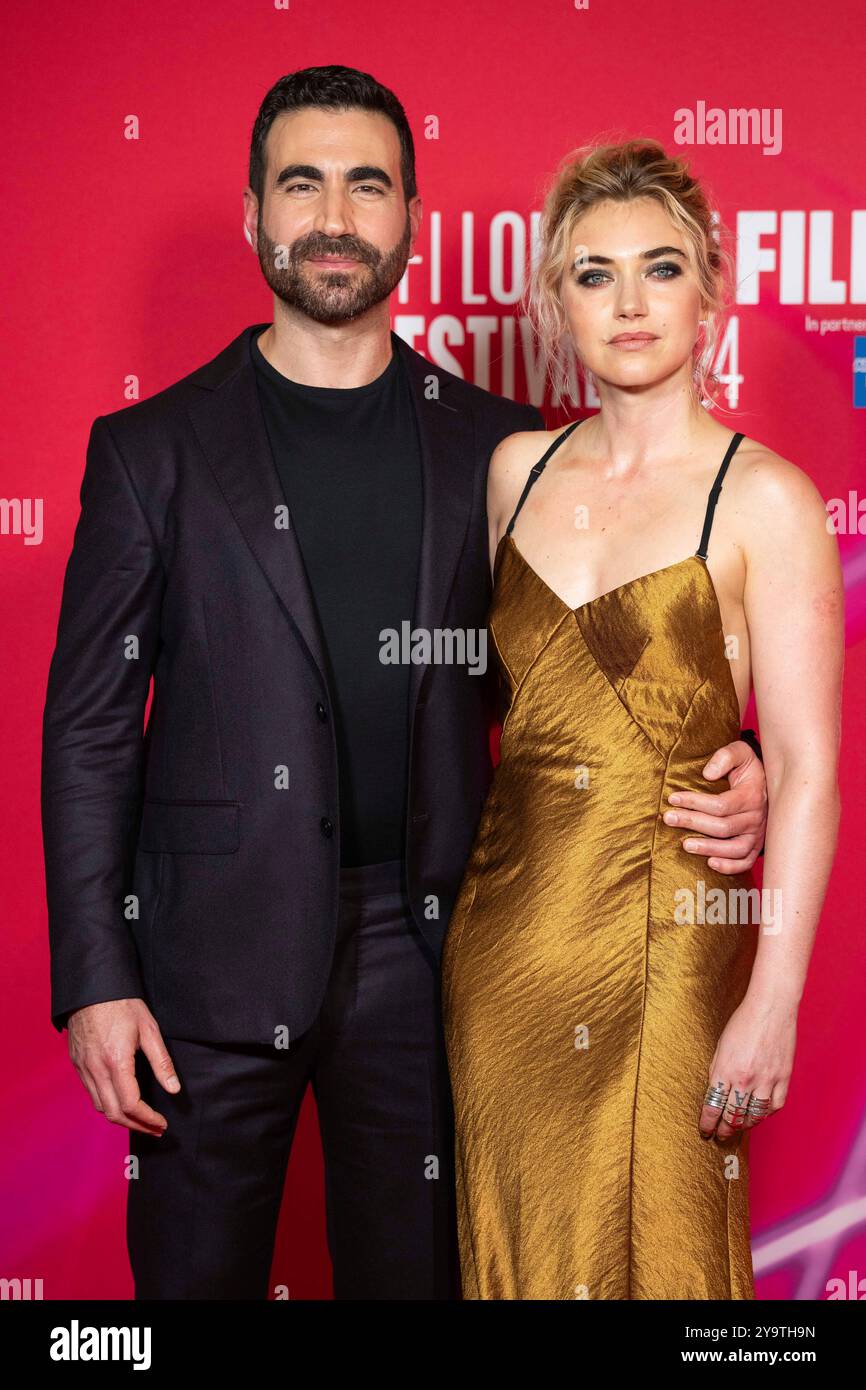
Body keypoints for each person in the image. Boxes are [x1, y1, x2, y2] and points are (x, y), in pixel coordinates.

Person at [41, 71, 769, 1301]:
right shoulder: (149, 451)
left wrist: (733, 746)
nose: (334, 216)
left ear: (410, 220)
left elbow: (573, 665)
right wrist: (96, 979)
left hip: (433, 952)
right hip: (205, 959)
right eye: (302, 183)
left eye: (366, 185)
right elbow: (89, 732)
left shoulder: (497, 447)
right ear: (253, 214)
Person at [441, 139, 843, 1300]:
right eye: (593, 273)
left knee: (662, 1252)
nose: (627, 303)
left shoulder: (763, 496)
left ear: (707, 291)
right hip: (506, 942)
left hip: (670, 933)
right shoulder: (513, 472)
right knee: (517, 1246)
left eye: (659, 268)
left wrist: (771, 999)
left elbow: (806, 767)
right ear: (552, 301)